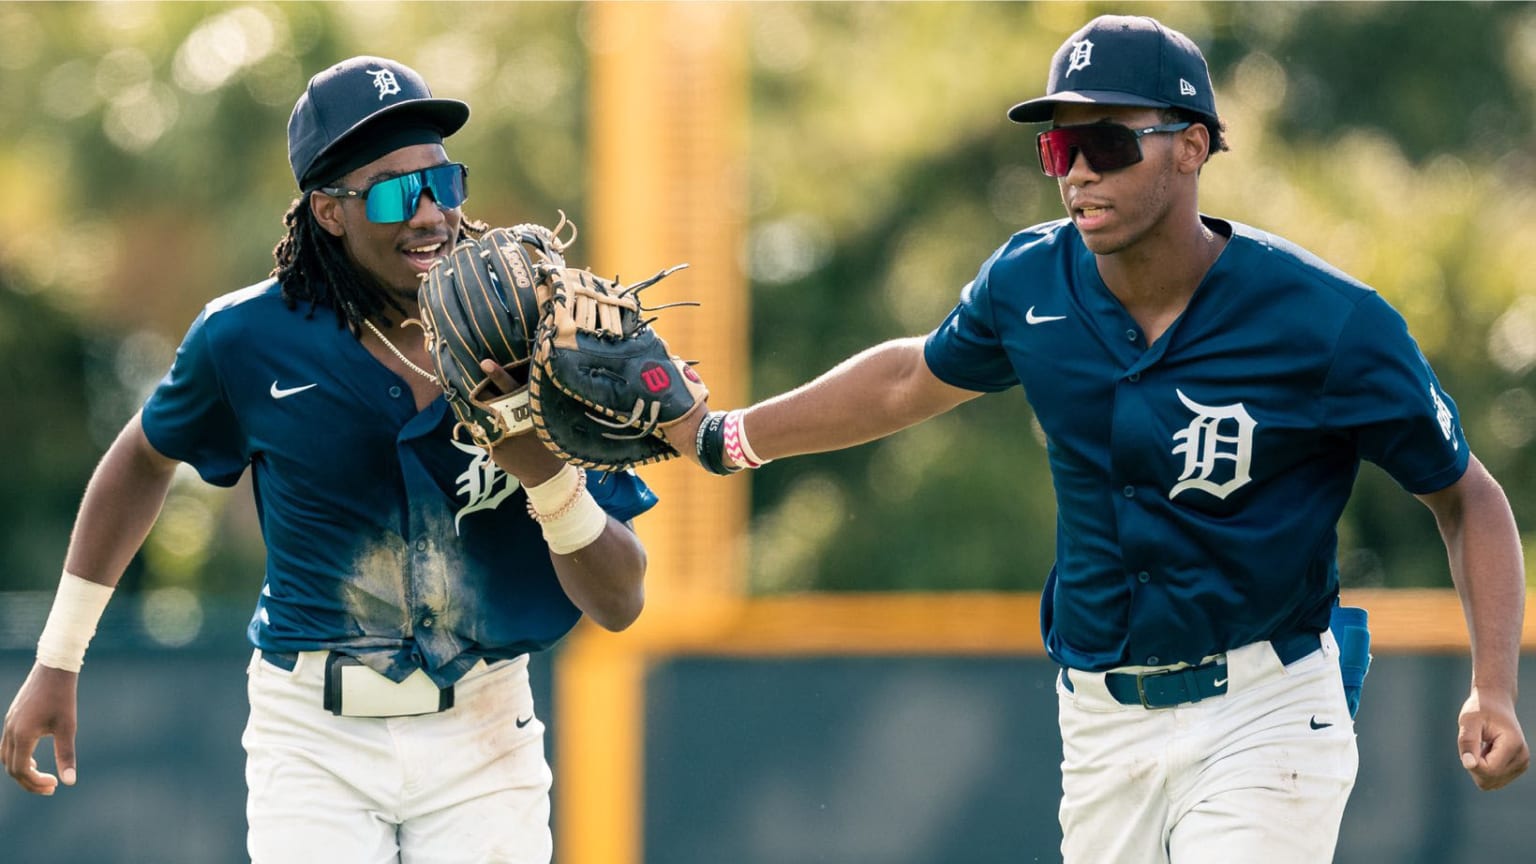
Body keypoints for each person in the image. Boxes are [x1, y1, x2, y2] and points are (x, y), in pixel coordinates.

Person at [669, 15, 1528, 863]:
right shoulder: (1028, 283)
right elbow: (907, 378)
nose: (1077, 171)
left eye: (1108, 143)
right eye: (1057, 149)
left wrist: (1493, 686)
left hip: (1265, 714)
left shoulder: (1326, 323)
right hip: (1100, 726)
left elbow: (1465, 497)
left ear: (1191, 147)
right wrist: (723, 437)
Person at [1, 55, 657, 863]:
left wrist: (541, 466)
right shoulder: (243, 339)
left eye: (442, 183)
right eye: (390, 193)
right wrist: (59, 659)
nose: (429, 215)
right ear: (329, 212)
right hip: (314, 740)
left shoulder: (531, 331)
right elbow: (141, 459)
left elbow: (621, 600)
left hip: (484, 732)